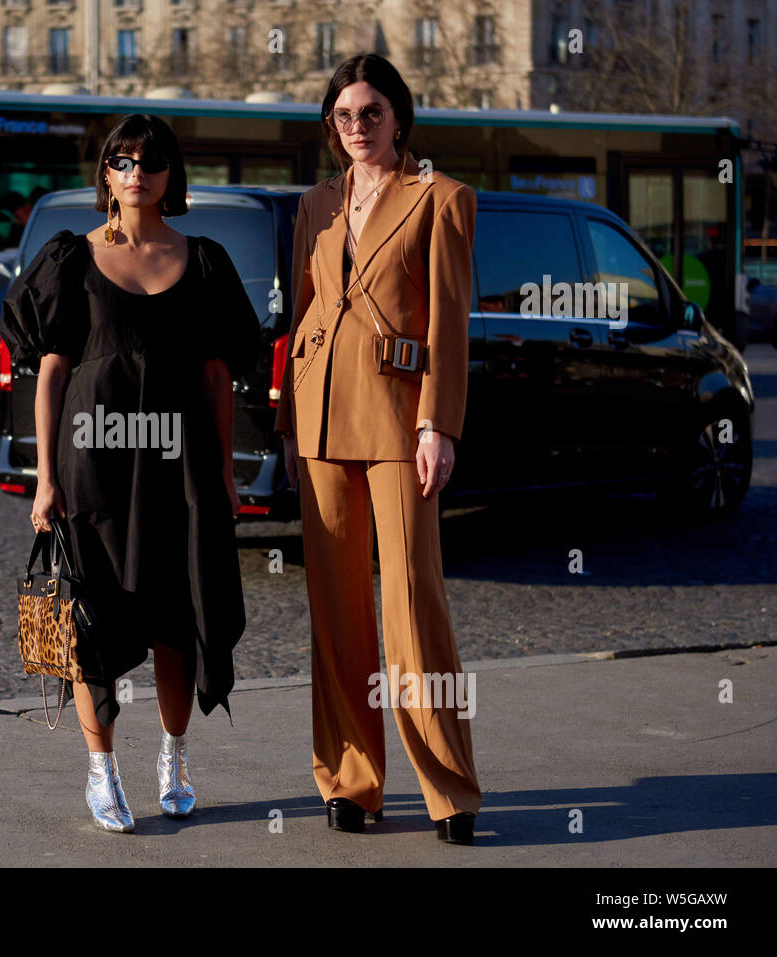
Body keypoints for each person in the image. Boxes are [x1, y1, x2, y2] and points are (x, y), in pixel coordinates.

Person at [0, 113, 260, 833]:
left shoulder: (203, 260)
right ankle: (100, 770)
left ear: (171, 174)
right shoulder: (68, 260)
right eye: (121, 160)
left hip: (181, 473)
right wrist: (45, 477)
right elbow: (49, 375)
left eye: (150, 160)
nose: (135, 171)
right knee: (95, 626)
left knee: (181, 623)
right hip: (94, 471)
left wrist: (227, 474)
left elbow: (215, 379)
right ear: (105, 174)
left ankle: (174, 757)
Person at [274, 53, 483, 845]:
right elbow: (301, 317)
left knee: (413, 605)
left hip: (401, 421)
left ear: (399, 118)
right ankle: (353, 781)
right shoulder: (315, 206)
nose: (357, 127)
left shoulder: (442, 197)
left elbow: (449, 321)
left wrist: (440, 424)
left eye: (371, 113)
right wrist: (291, 425)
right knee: (335, 611)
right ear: (331, 126)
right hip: (322, 418)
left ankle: (449, 787)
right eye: (344, 115)